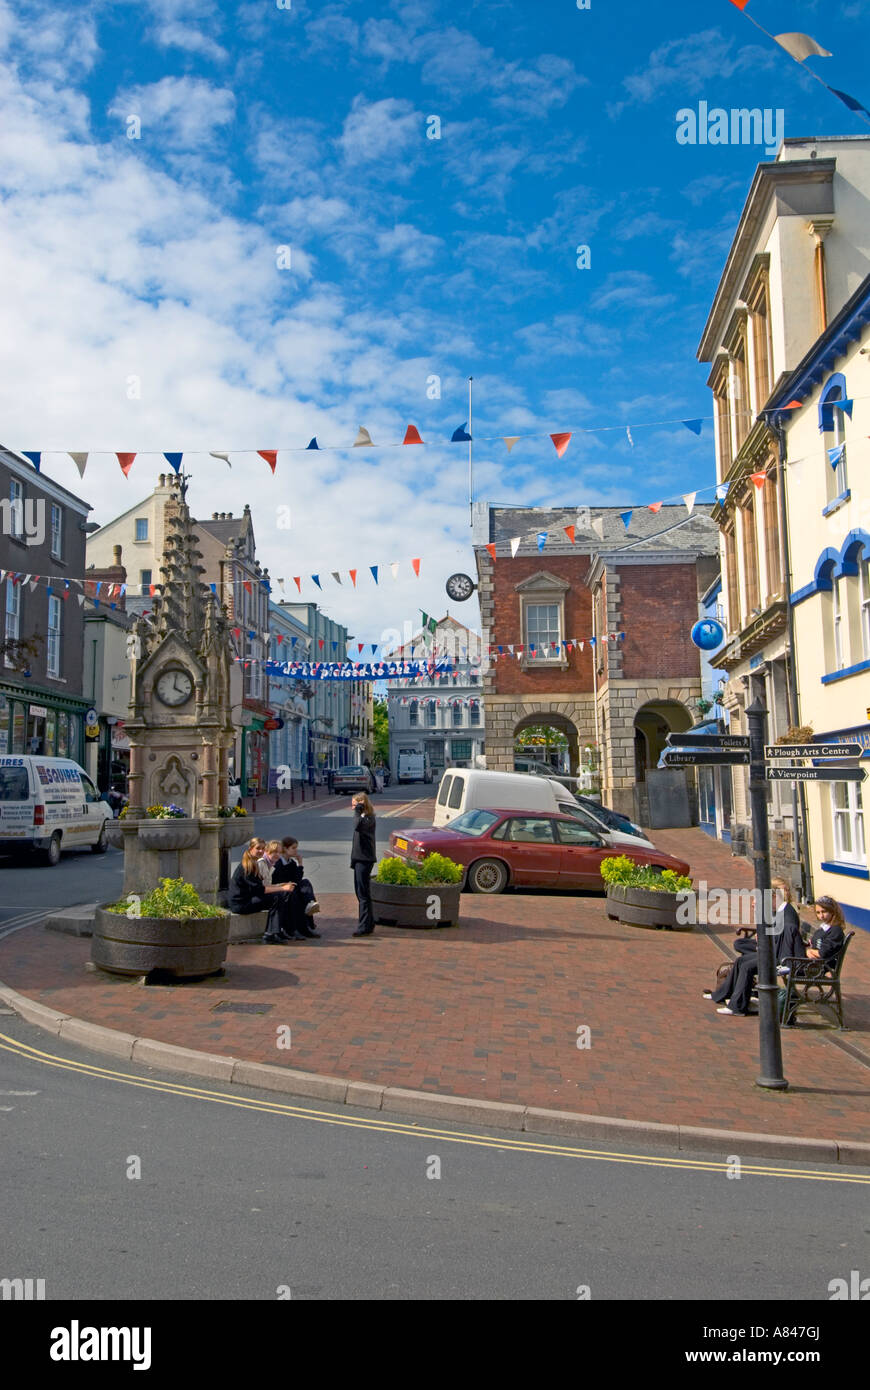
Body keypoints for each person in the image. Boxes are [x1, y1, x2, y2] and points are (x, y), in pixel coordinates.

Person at [705, 878, 806, 1016]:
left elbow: (785, 938)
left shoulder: (788, 914)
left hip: (777, 956)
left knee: (747, 966)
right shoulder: (779, 909)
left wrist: (765, 943)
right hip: (771, 950)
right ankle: (723, 995)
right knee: (741, 960)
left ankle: (738, 1007)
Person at [227, 841, 297, 944]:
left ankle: (284, 930)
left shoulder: (253, 862)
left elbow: (260, 887)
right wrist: (283, 888)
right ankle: (271, 934)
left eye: (263, 849)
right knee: (277, 897)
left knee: (283, 895)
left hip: (247, 899)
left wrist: (279, 886)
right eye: (258, 848)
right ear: (251, 849)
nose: (261, 851)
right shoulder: (248, 865)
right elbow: (260, 890)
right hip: (241, 904)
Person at [271, 837, 320, 940]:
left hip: (291, 887)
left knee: (305, 883)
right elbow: (275, 881)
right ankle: (294, 930)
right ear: (285, 848)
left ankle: (310, 903)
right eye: (293, 848)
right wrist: (287, 885)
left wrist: (300, 864)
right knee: (295, 897)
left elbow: (297, 879)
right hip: (281, 890)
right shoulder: (278, 863)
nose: (296, 851)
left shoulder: (292, 863)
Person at [350, 791, 377, 937]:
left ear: (361, 805)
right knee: (361, 893)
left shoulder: (368, 819)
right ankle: (369, 923)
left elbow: (357, 826)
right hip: (359, 859)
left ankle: (363, 926)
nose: (352, 809)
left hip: (364, 860)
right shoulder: (363, 818)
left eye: (354, 805)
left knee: (363, 894)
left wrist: (358, 810)